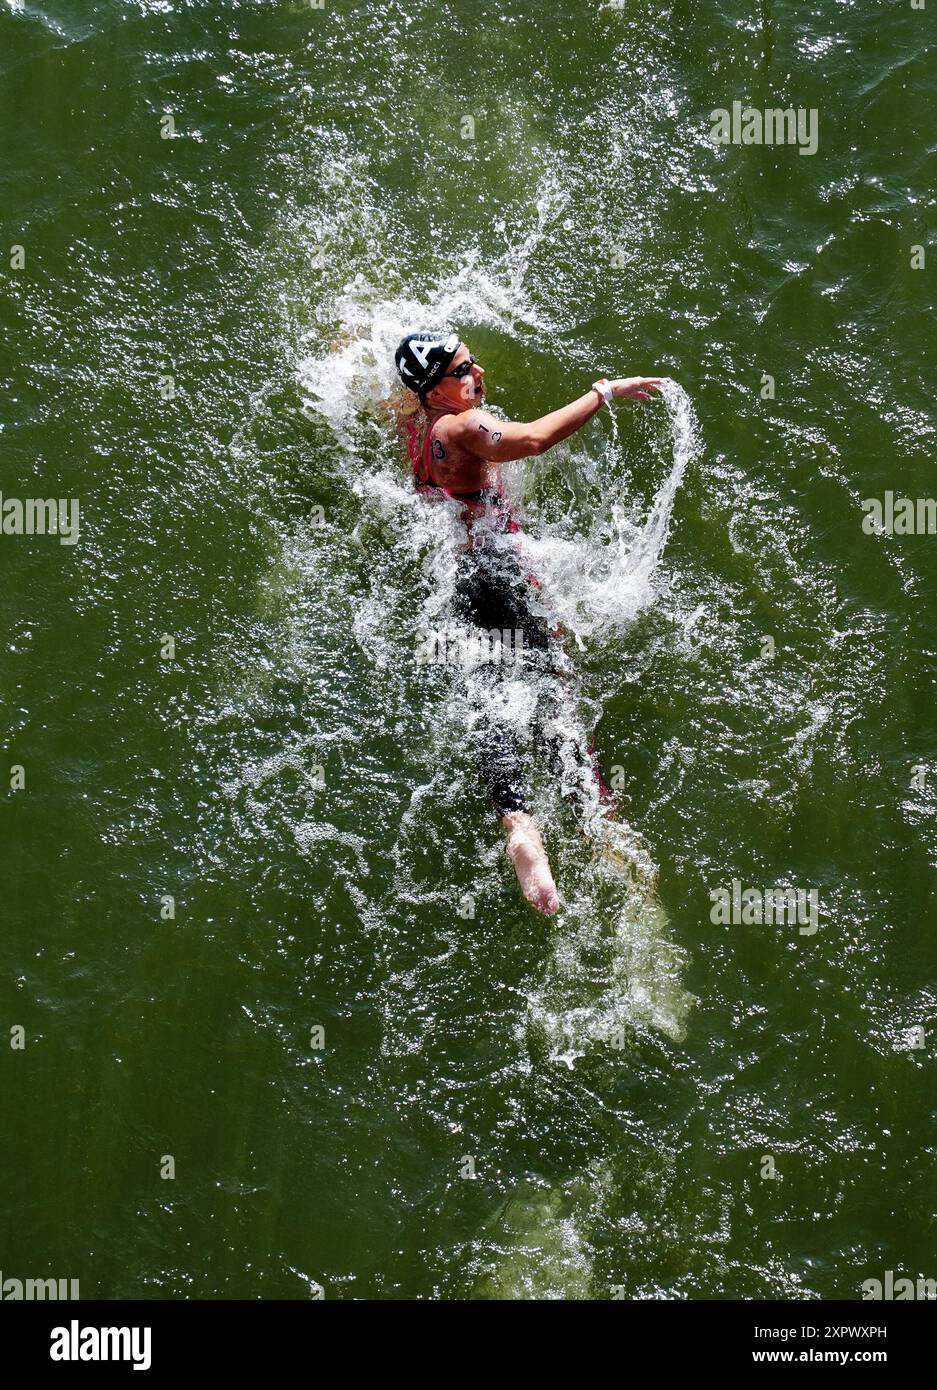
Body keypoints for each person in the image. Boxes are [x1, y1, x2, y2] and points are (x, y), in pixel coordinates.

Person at [391, 330, 663, 915]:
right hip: (500, 575)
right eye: (463, 370)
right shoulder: (460, 426)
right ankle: (601, 824)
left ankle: (518, 822)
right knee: (554, 700)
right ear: (436, 386)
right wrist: (604, 392)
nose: (478, 372)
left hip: (462, 577)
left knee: (492, 695)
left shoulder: (415, 423)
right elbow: (535, 440)